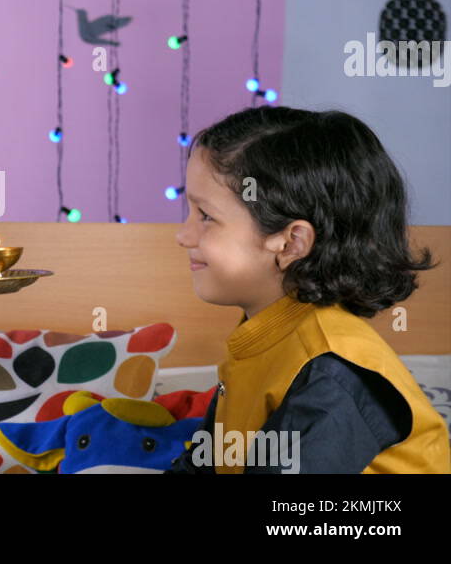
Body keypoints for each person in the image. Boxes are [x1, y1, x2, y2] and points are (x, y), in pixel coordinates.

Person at [166, 106, 450, 474]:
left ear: (290, 243)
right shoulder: (263, 335)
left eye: (206, 216)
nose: (182, 235)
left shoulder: (332, 373)